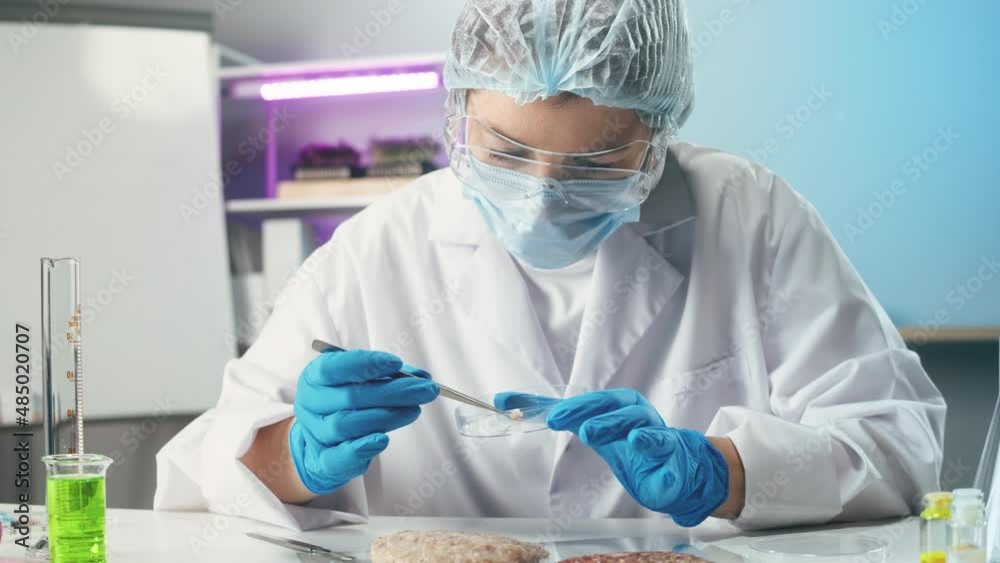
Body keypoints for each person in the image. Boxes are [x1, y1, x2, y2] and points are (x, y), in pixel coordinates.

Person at [155, 0, 946, 531]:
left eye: (597, 161)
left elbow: (897, 441)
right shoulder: (379, 248)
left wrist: (725, 470)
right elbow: (200, 477)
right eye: (504, 151)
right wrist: (294, 450)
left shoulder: (751, 216)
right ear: (457, 113)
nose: (539, 197)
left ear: (658, 134)